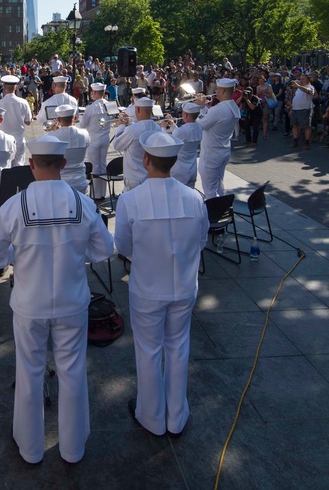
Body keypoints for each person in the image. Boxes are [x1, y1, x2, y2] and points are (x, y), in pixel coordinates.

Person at [0, 136, 114, 465]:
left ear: (31, 165)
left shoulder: (13, 206)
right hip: (72, 302)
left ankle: (30, 448)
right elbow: (103, 250)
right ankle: (73, 448)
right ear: (64, 164)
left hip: (29, 304)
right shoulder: (83, 203)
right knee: (72, 372)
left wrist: (17, 254)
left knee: (29, 372)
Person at [113, 131, 208, 437]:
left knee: (149, 350)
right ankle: (176, 415)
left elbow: (123, 247)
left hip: (147, 289)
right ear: (174, 160)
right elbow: (201, 240)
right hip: (183, 287)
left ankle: (151, 415)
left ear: (145, 160)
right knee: (179, 348)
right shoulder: (195, 198)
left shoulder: (129, 200)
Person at [194, 78, 241, 199]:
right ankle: (223, 207)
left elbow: (200, 125)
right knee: (219, 184)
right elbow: (211, 118)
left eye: (218, 89)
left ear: (223, 91)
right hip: (223, 151)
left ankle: (214, 214)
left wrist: (198, 108)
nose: (215, 91)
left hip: (211, 154)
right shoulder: (233, 106)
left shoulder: (219, 109)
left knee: (209, 190)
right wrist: (204, 106)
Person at [112, 97, 161, 193]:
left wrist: (121, 126)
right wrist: (129, 124)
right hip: (150, 178)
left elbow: (117, 145)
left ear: (137, 109)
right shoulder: (157, 128)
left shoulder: (132, 130)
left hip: (134, 180)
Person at [80, 83, 111, 200]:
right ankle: (102, 193)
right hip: (105, 138)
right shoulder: (110, 105)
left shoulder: (91, 107)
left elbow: (82, 125)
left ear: (94, 93)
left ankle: (95, 194)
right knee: (103, 164)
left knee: (95, 166)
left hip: (93, 139)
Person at [52, 104, 90, 193]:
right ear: (75, 117)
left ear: (59, 119)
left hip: (61, 181)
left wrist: (54, 132)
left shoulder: (52, 135)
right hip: (80, 180)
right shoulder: (85, 133)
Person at [0, 74, 32, 167]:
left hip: (4, 140)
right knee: (18, 169)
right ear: (16, 87)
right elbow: (28, 122)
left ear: (4, 87)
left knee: (5, 169)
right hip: (19, 139)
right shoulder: (24, 102)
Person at [170, 102, 203, 188]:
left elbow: (170, 144)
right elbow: (182, 135)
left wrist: (162, 128)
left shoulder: (181, 131)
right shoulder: (199, 127)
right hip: (192, 168)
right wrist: (172, 125)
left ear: (186, 115)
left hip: (179, 170)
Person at [289, 75, 316, 149]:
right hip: (295, 109)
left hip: (305, 109)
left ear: (308, 80)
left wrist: (298, 85)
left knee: (306, 126)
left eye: (303, 79)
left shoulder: (310, 87)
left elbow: (307, 91)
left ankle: (307, 143)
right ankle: (295, 141)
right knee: (295, 125)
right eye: (300, 79)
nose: (301, 80)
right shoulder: (298, 89)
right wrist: (291, 109)